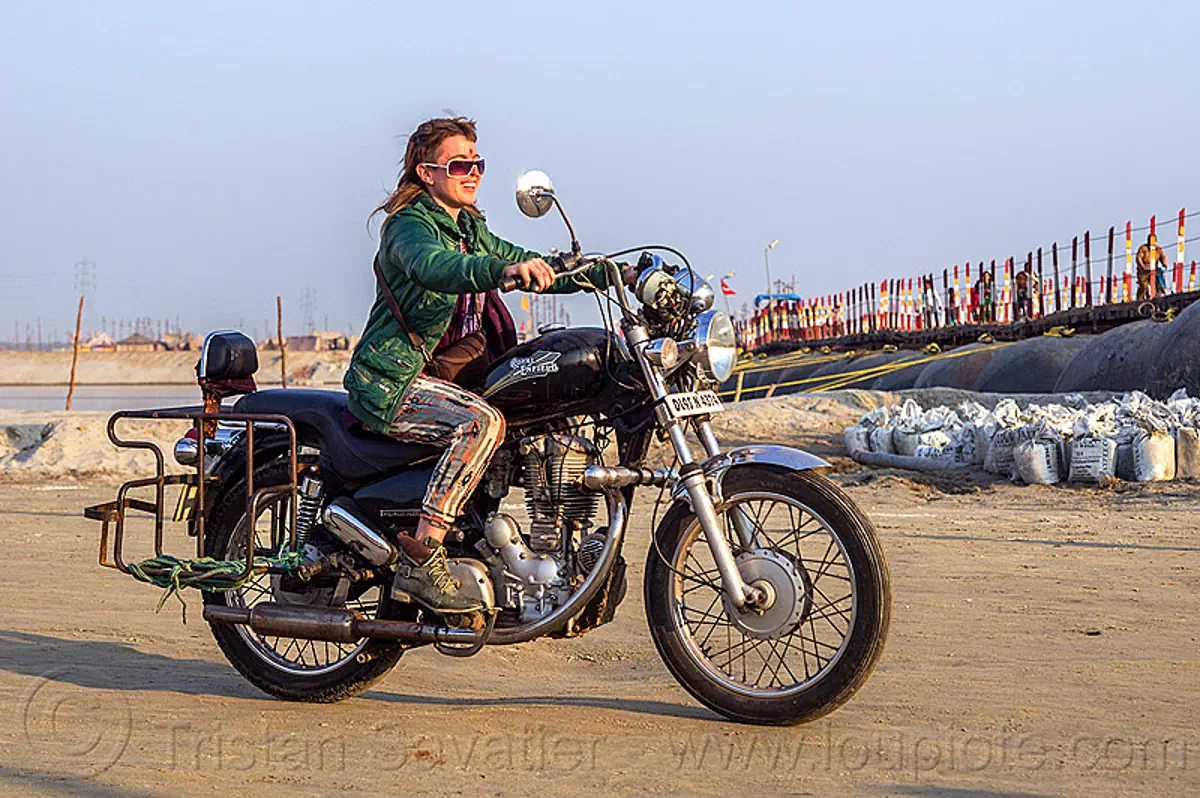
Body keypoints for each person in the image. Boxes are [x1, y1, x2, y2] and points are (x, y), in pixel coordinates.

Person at [345, 117, 627, 613]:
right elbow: (434, 266)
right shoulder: (408, 227)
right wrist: (501, 271)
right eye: (459, 164)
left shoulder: (472, 228)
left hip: (446, 375)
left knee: (556, 416)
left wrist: (607, 274)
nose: (472, 172)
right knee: (482, 424)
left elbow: (526, 260)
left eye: (478, 164)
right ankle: (423, 555)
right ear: (427, 172)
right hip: (393, 380)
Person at [1136, 234, 1168, 300]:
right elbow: (1139, 258)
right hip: (1143, 271)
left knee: (1158, 282)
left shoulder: (1158, 249)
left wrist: (1164, 265)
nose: (1151, 243)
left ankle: (1158, 295)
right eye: (1149, 241)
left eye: (1153, 241)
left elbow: (1163, 257)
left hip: (1154, 270)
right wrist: (1143, 267)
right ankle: (1140, 299)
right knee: (1143, 286)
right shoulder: (1143, 248)